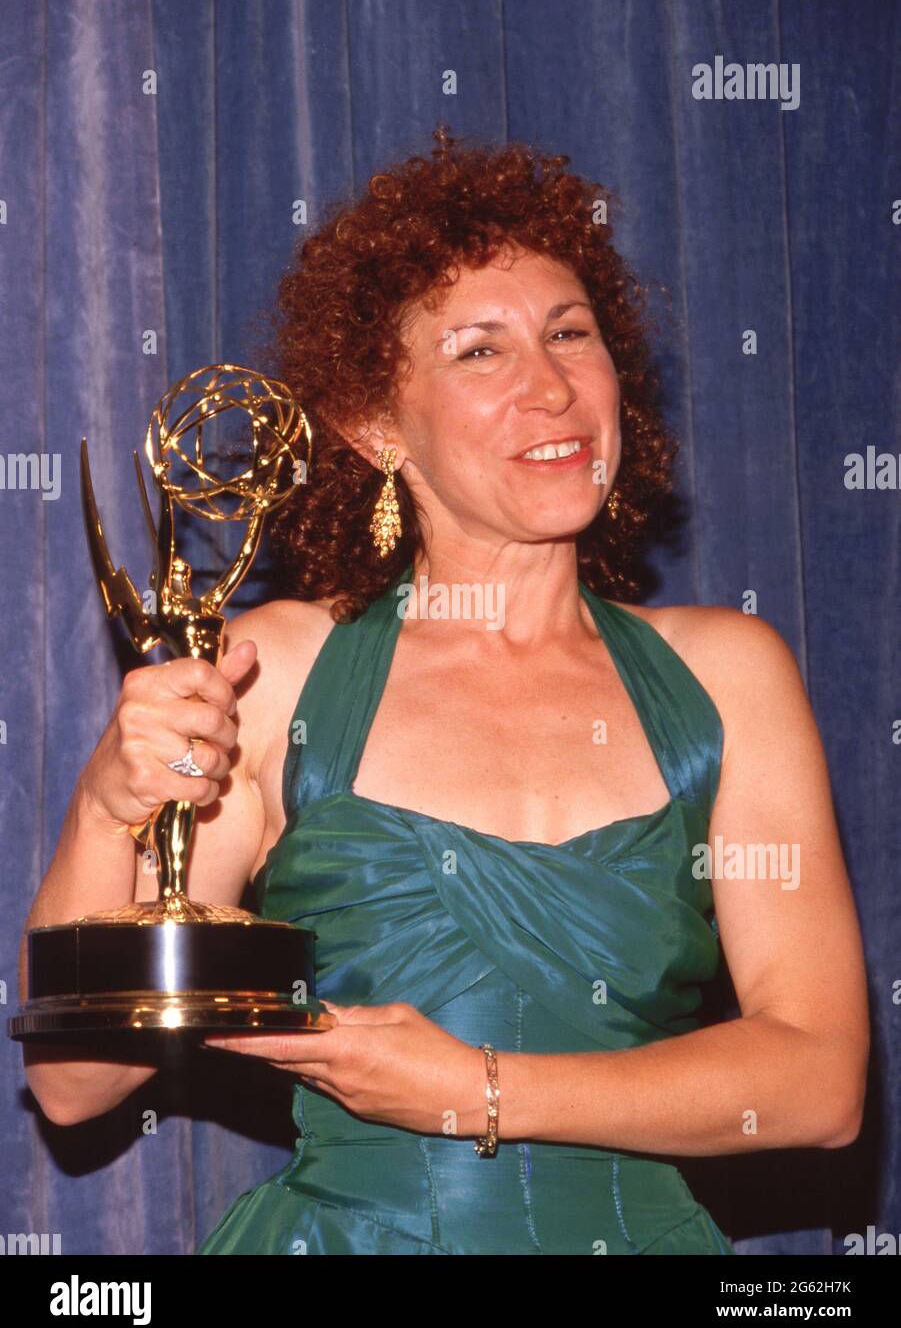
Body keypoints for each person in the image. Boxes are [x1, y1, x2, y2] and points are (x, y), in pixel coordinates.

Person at [20, 127, 869, 1256]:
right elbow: (76, 1083)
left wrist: (477, 1089)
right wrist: (103, 804)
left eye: (571, 333)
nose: (553, 387)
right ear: (376, 424)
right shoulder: (278, 672)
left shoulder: (726, 673)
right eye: (481, 353)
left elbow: (817, 1086)